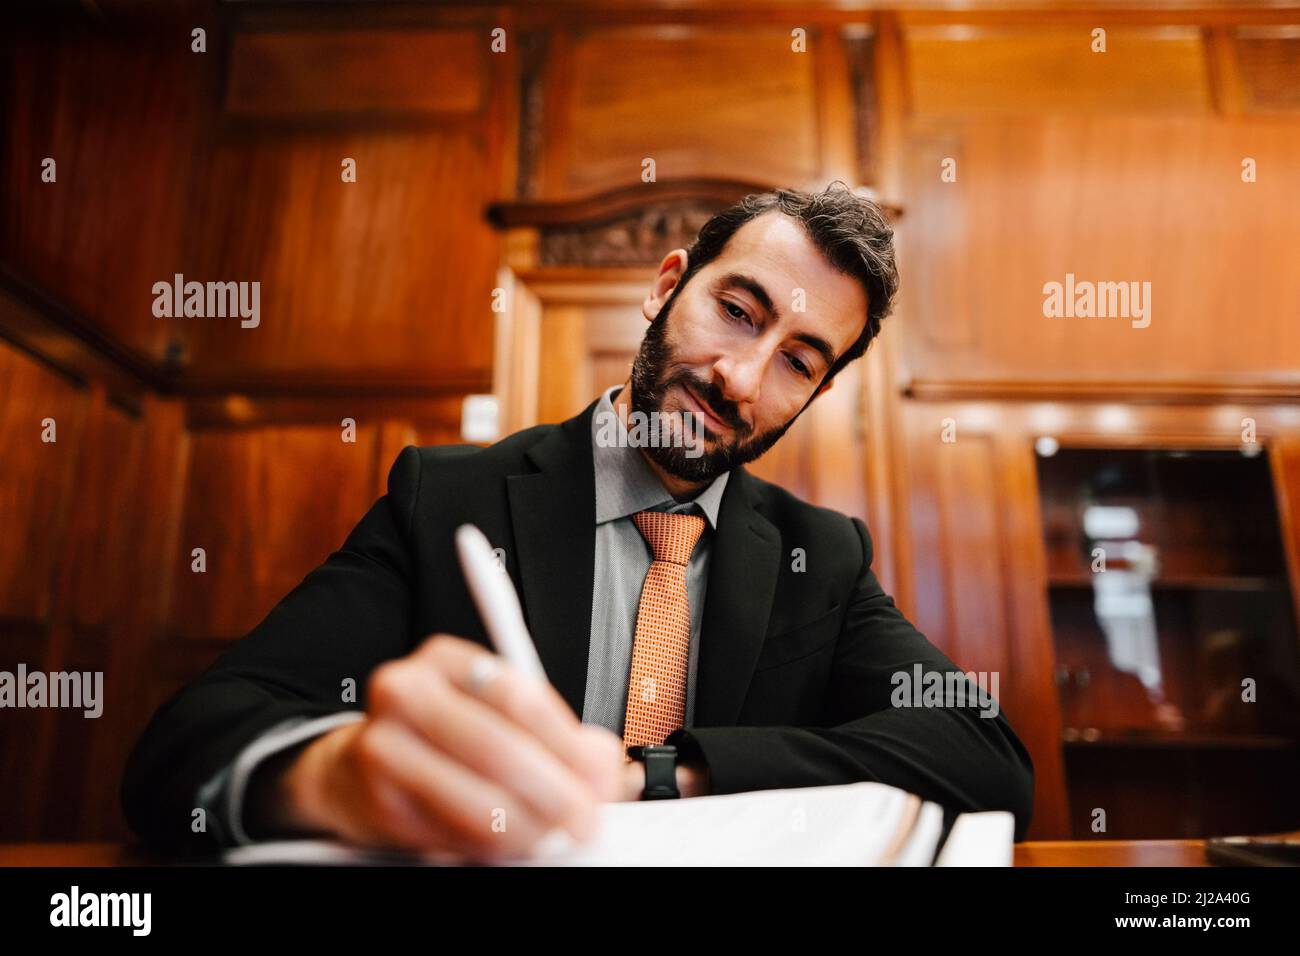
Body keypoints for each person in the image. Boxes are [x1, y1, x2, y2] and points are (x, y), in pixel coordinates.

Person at [121, 183, 1035, 861]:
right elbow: (191, 742)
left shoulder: (821, 556)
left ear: (820, 391)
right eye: (735, 311)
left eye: (797, 361)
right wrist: (334, 774)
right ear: (667, 287)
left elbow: (983, 751)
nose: (741, 380)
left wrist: (666, 776)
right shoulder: (448, 498)